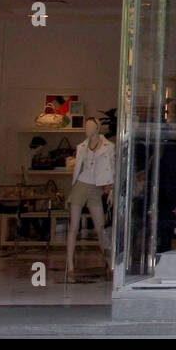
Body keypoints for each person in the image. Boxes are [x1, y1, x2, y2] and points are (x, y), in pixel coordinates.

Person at [67, 116, 115, 279]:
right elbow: (78, 167)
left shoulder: (109, 147)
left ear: (97, 128)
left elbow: (112, 169)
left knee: (100, 228)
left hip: (96, 187)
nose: (87, 129)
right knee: (73, 227)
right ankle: (70, 264)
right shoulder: (81, 147)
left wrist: (111, 189)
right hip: (81, 185)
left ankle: (109, 261)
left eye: (90, 126)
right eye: (86, 126)